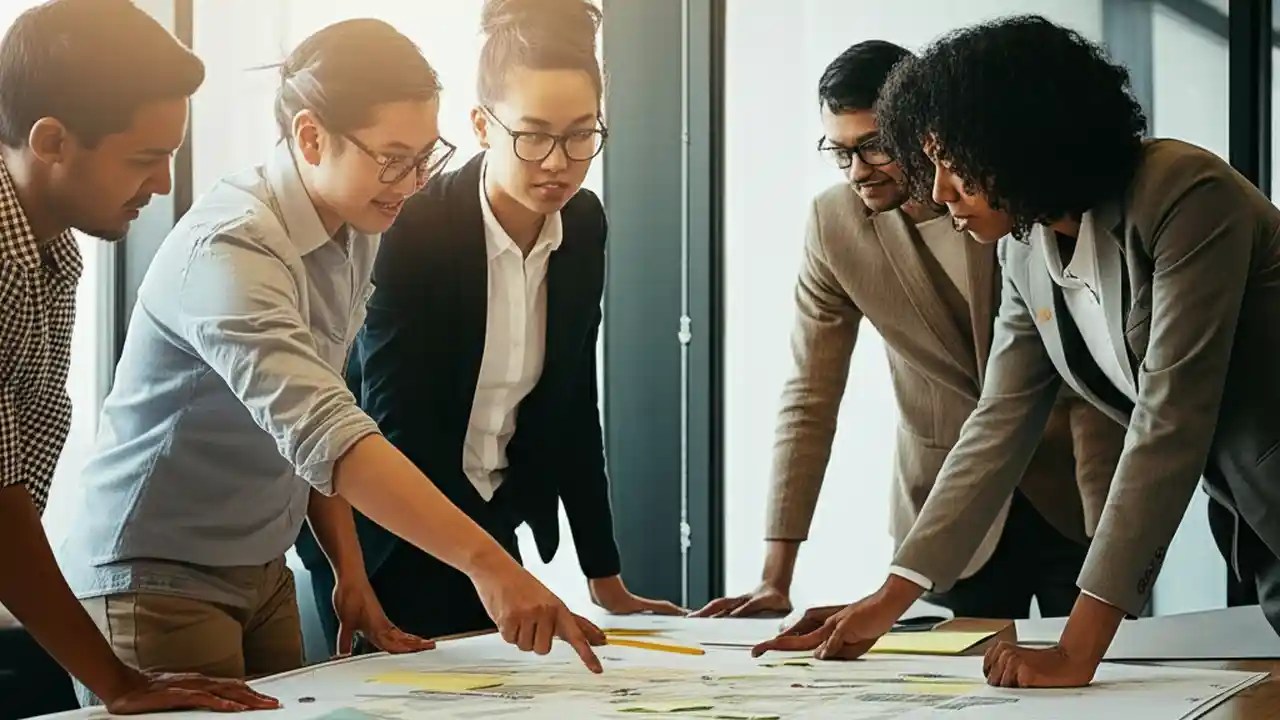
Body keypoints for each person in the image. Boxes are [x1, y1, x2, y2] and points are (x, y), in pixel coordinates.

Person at [53, 18, 605, 707]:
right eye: (393, 158)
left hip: (261, 570)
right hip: (154, 580)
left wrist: (351, 569)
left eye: (424, 156)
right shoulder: (234, 248)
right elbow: (327, 432)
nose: (412, 181)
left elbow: (327, 407)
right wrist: (491, 568)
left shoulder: (355, 222)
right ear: (312, 137)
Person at [753, 14, 1280, 690]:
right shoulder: (1025, 246)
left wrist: (1077, 649)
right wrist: (888, 601)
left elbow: (1170, 420)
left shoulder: (1185, 194)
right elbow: (999, 418)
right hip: (1256, 526)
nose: (939, 192)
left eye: (950, 163)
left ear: (1016, 140)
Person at [691, 41, 1122, 623]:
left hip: (1070, 490)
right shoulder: (833, 225)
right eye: (838, 152)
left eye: (873, 146)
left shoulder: (1005, 196)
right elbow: (809, 398)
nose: (857, 172)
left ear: (925, 130)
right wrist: (776, 576)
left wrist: (1110, 531)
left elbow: (1085, 375)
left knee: (1104, 688)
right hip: (946, 516)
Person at [296, 0, 684, 646]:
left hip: (490, 526)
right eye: (532, 135)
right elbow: (398, 426)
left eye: (581, 133)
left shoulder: (583, 227)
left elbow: (572, 401)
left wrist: (604, 573)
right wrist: (491, 566)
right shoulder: (417, 226)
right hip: (386, 542)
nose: (558, 161)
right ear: (481, 124)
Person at [0, 0, 277, 714]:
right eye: (144, 159)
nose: (159, 187)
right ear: (52, 139)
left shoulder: (52, 246)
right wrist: (118, 679)